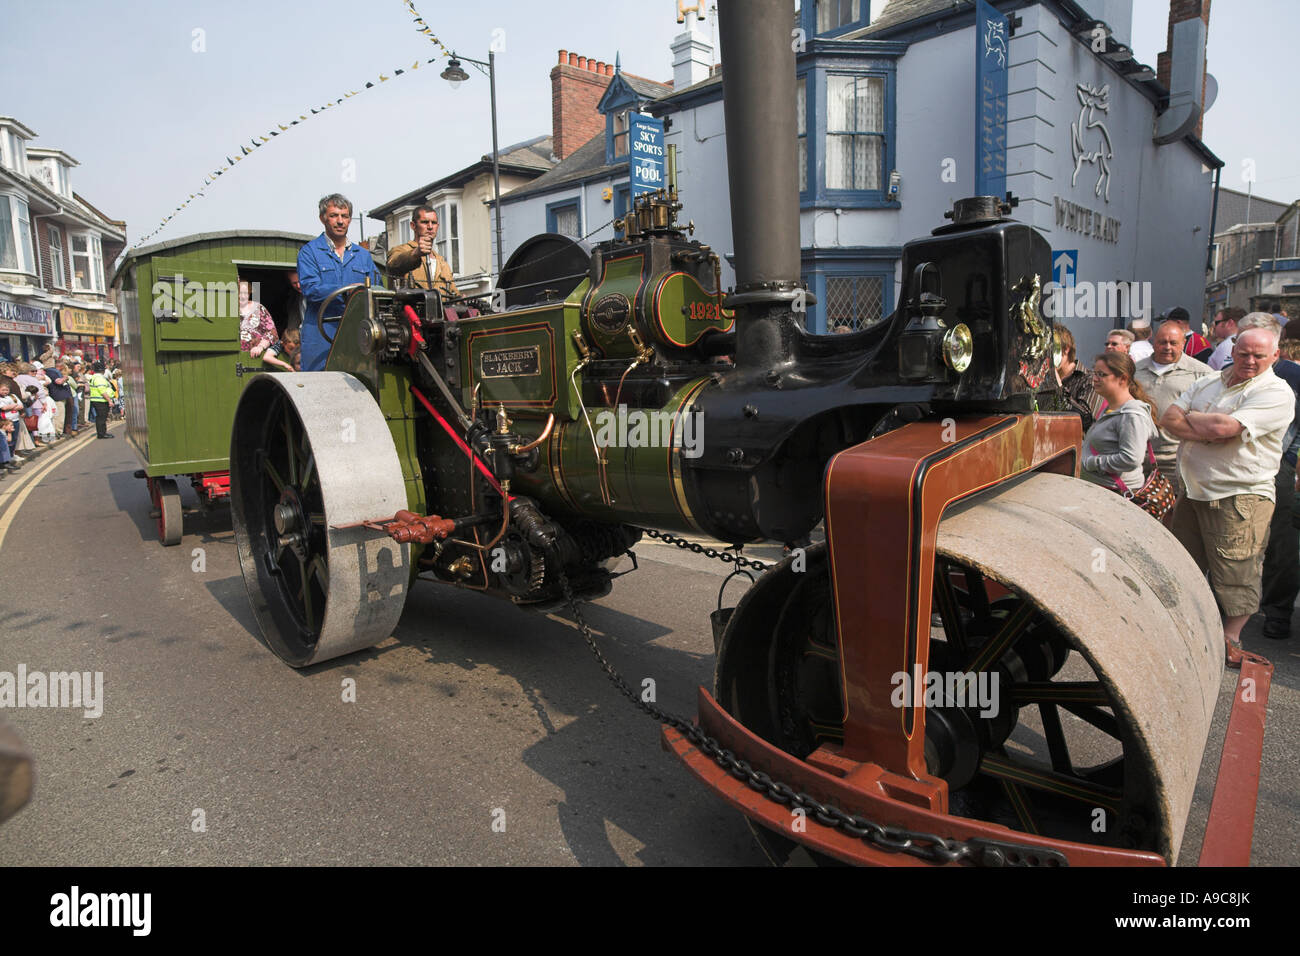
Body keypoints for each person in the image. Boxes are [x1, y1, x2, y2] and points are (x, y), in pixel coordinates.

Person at [1162, 327, 1297, 649]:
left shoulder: (1276, 392)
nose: (1249, 360)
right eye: (1244, 353)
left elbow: (1226, 427)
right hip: (1193, 490)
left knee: (1236, 571)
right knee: (1184, 566)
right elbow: (1168, 418)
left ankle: (1230, 639)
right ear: (1233, 350)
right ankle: (1188, 631)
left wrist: (1197, 420)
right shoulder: (1210, 381)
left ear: (1275, 356)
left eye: (1259, 355)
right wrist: (1211, 430)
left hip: (1239, 495)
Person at [297, 194, 386, 372]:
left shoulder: (363, 255)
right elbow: (311, 289)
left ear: (349, 220)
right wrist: (347, 292)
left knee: (360, 381)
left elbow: (378, 289)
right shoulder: (309, 252)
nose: (340, 221)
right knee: (319, 383)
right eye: (334, 216)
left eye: (344, 216)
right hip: (321, 335)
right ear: (322, 218)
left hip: (357, 333)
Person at [1134, 319, 1213, 496]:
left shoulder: (1202, 373)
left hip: (1175, 460)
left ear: (1183, 343)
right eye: (1162, 342)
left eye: (1173, 343)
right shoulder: (1135, 370)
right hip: (1137, 456)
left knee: (1171, 509)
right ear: (1153, 341)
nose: (1167, 347)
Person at [1080, 351, 1160, 496]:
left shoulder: (1131, 415)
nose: (1095, 379)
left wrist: (1090, 463)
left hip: (1116, 495)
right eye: (1094, 373)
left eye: (1101, 374)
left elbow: (1131, 459)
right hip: (1101, 491)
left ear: (1123, 379)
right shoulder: (1111, 409)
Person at [387, 205, 460, 298]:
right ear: (413, 225)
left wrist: (463, 300)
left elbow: (455, 295)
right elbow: (393, 264)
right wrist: (416, 253)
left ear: (437, 226)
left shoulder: (443, 264)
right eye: (425, 222)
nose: (430, 227)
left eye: (433, 223)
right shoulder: (399, 251)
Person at [1049, 323, 1101, 431]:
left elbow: (1085, 421)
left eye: (1050, 349)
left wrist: (1059, 386)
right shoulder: (1045, 380)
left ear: (1066, 349)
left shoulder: (1089, 380)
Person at [238, 281, 278, 358]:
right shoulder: (228, 309)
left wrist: (260, 347)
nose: (242, 296)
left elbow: (272, 333)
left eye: (246, 293)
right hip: (233, 355)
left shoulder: (258, 308)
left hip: (256, 356)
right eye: (239, 293)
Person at [86, 360, 117, 439]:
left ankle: (102, 432)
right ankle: (101, 434)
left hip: (97, 400)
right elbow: (102, 391)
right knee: (102, 418)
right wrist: (109, 401)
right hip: (101, 400)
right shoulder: (99, 378)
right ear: (102, 370)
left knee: (101, 417)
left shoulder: (95, 377)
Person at [285, 269, 306, 333]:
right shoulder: (298, 297)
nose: (298, 286)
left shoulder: (316, 296)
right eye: (294, 283)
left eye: (300, 281)